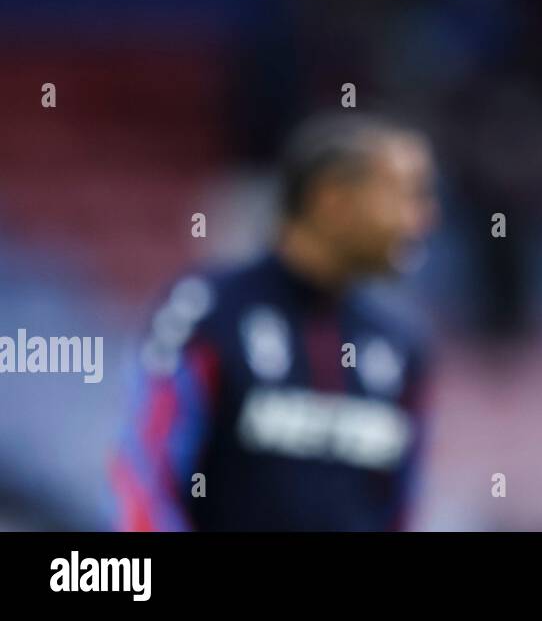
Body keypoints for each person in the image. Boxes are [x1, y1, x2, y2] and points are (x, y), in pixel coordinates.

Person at [113, 113, 437, 530]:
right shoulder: (205, 311)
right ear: (333, 200)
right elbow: (144, 478)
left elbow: (400, 508)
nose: (425, 218)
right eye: (406, 195)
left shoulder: (401, 341)